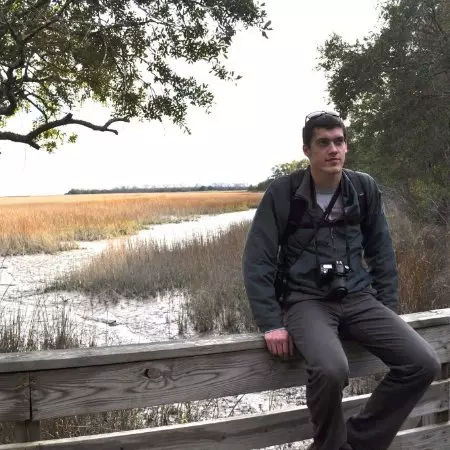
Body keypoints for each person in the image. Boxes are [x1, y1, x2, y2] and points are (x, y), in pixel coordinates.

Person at [242, 111, 441, 450]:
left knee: (423, 364)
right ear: (307, 150)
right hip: (306, 301)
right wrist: (270, 322)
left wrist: (388, 307)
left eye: (339, 141)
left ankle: (356, 443)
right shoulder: (283, 192)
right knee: (331, 370)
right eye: (323, 143)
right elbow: (257, 259)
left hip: (359, 297)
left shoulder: (362, 187)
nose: (332, 149)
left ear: (346, 146)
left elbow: (382, 250)